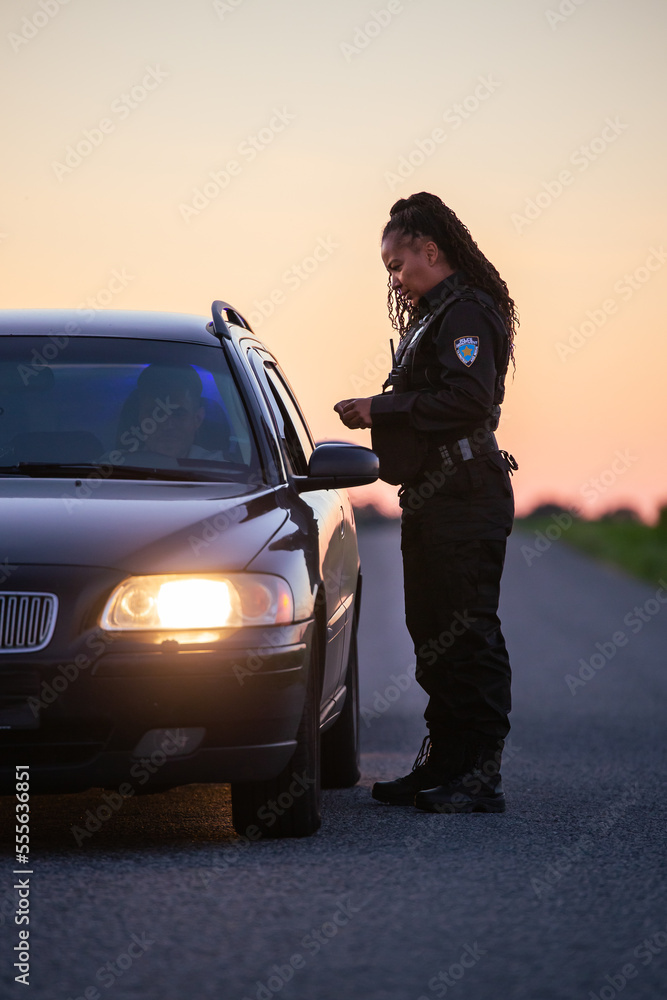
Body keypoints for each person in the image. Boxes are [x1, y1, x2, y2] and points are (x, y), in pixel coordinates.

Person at [334, 191, 518, 814]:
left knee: (468, 635)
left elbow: (468, 401)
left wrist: (379, 407)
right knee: (432, 633)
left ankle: (480, 777)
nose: (394, 277)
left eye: (396, 264)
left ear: (429, 250)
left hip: (466, 495)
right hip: (434, 499)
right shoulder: (435, 316)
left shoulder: (466, 315)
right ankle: (446, 762)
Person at [120, 364, 226, 463]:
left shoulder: (224, 473)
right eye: (157, 415)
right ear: (141, 417)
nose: (168, 425)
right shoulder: (114, 469)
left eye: (178, 414)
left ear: (197, 418)